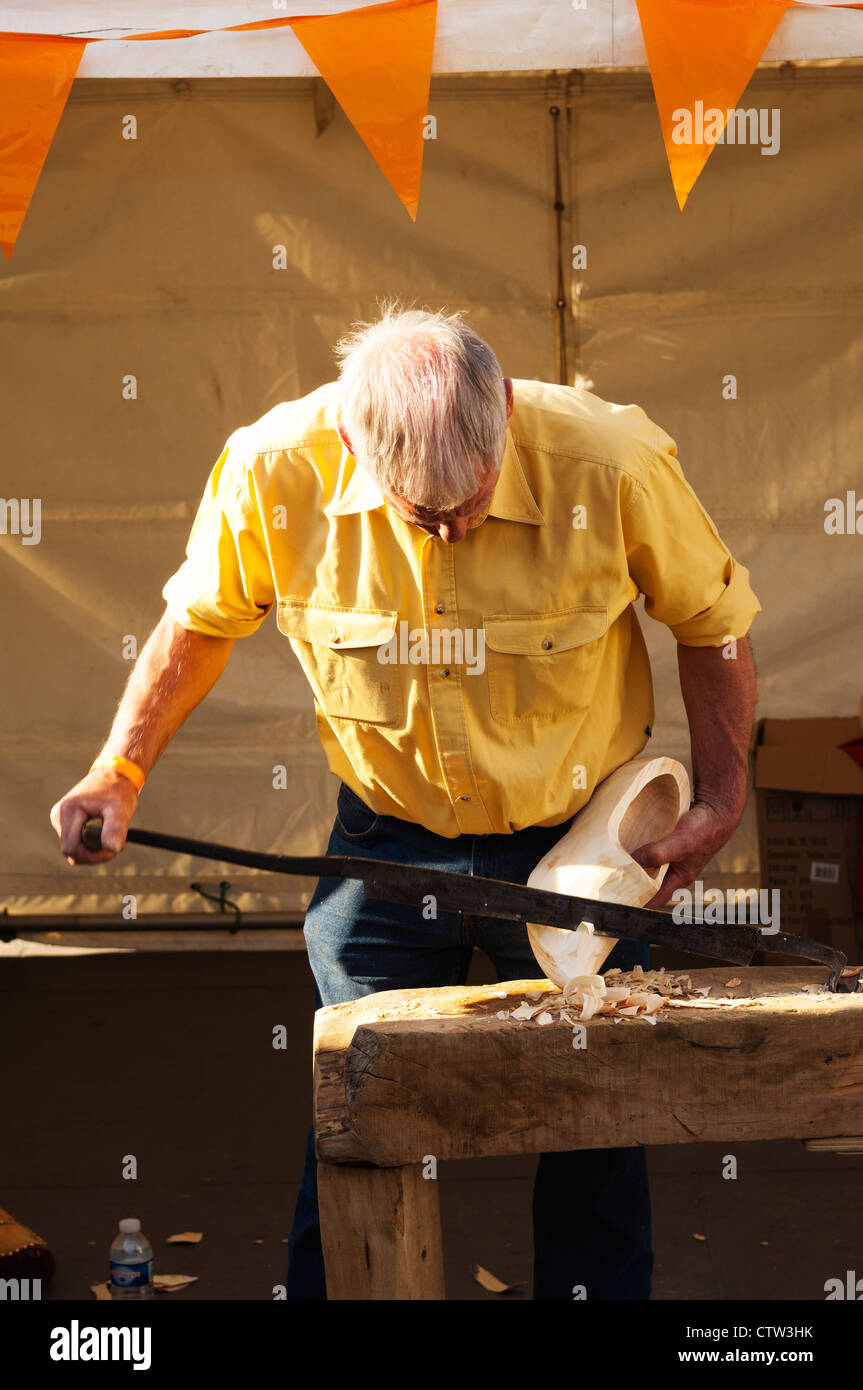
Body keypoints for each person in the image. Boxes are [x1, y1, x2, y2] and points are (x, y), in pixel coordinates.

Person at [51, 304, 760, 1300]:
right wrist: (117, 772)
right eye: (421, 518)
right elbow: (199, 621)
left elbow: (713, 623)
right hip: (384, 847)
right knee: (358, 1112)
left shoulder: (611, 464)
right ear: (348, 442)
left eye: (470, 506)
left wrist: (724, 796)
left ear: (505, 413)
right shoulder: (271, 469)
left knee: (596, 1113)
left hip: (581, 843)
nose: (452, 531)